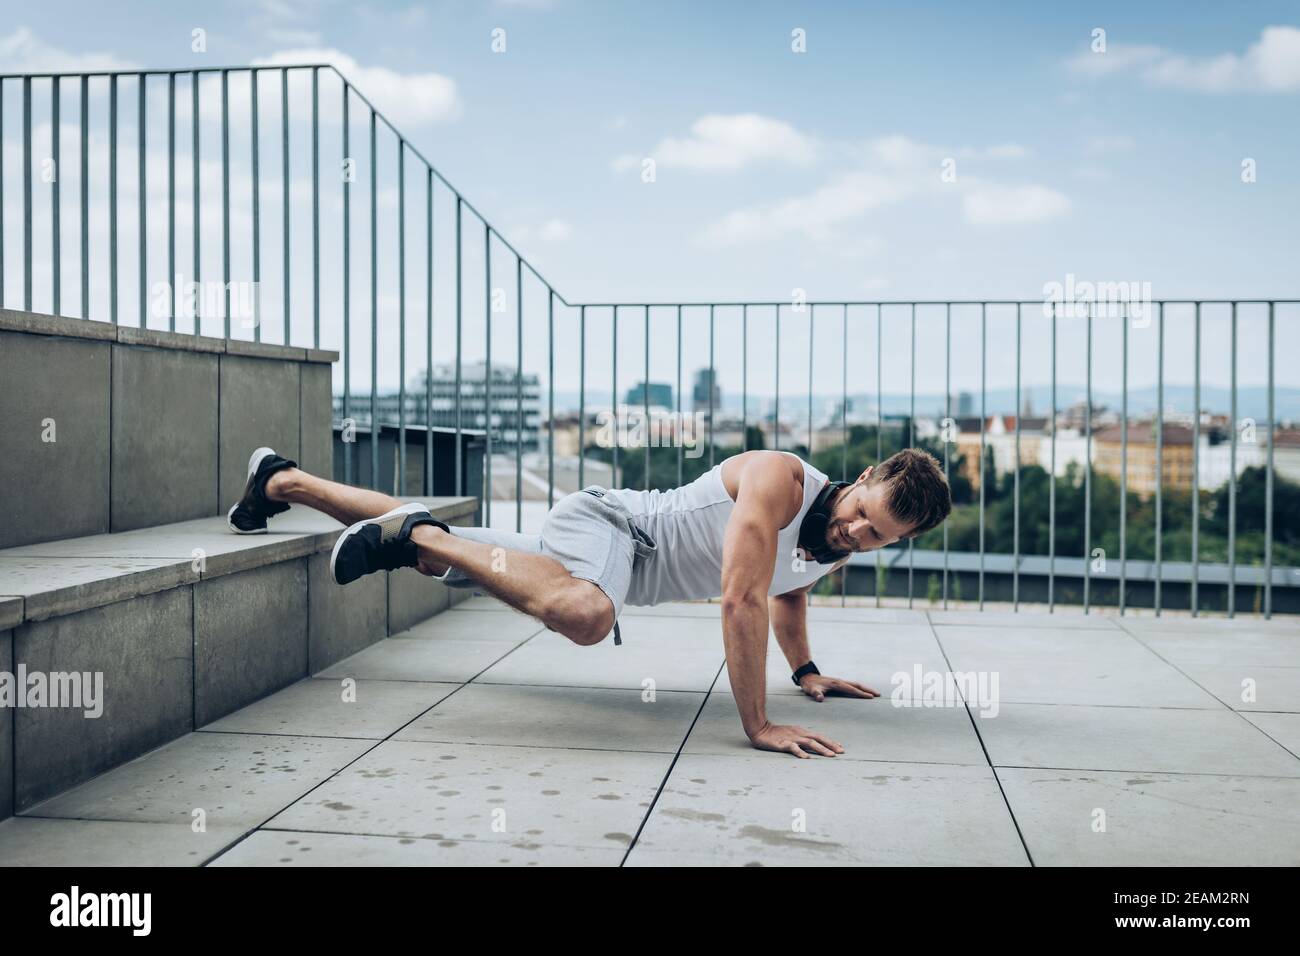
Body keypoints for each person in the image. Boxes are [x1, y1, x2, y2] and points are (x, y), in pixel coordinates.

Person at [227, 445, 952, 759]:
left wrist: (807, 673)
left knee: (454, 543)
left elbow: (788, 596)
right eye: (862, 510)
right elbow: (742, 597)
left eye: (878, 535)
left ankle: (282, 482)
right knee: (587, 616)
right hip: (612, 527)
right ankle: (416, 534)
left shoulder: (831, 545)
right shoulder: (781, 479)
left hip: (608, 561)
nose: (856, 531)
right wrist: (758, 723)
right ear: (860, 477)